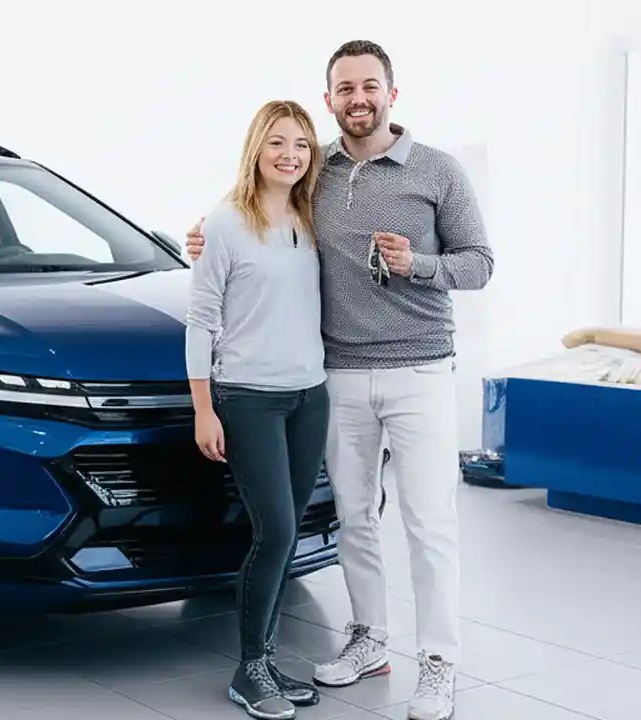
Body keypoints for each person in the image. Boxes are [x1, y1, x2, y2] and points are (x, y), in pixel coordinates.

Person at [184, 40, 494, 720]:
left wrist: (420, 265)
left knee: (429, 523)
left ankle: (439, 662)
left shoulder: (438, 171)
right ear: (330, 99)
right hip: (338, 377)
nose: (358, 98)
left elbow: (480, 263)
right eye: (345, 88)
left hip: (419, 370)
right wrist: (202, 237)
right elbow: (249, 219)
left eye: (370, 86)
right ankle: (369, 639)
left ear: (391, 93)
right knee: (355, 521)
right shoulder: (312, 174)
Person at [186, 99, 329, 720]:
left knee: (289, 532)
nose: (289, 154)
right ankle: (248, 670)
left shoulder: (312, 214)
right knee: (272, 531)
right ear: (256, 148)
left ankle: (268, 660)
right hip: (247, 398)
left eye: (300, 144)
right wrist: (203, 409)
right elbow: (200, 319)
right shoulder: (224, 223)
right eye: (277, 143)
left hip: (310, 395)